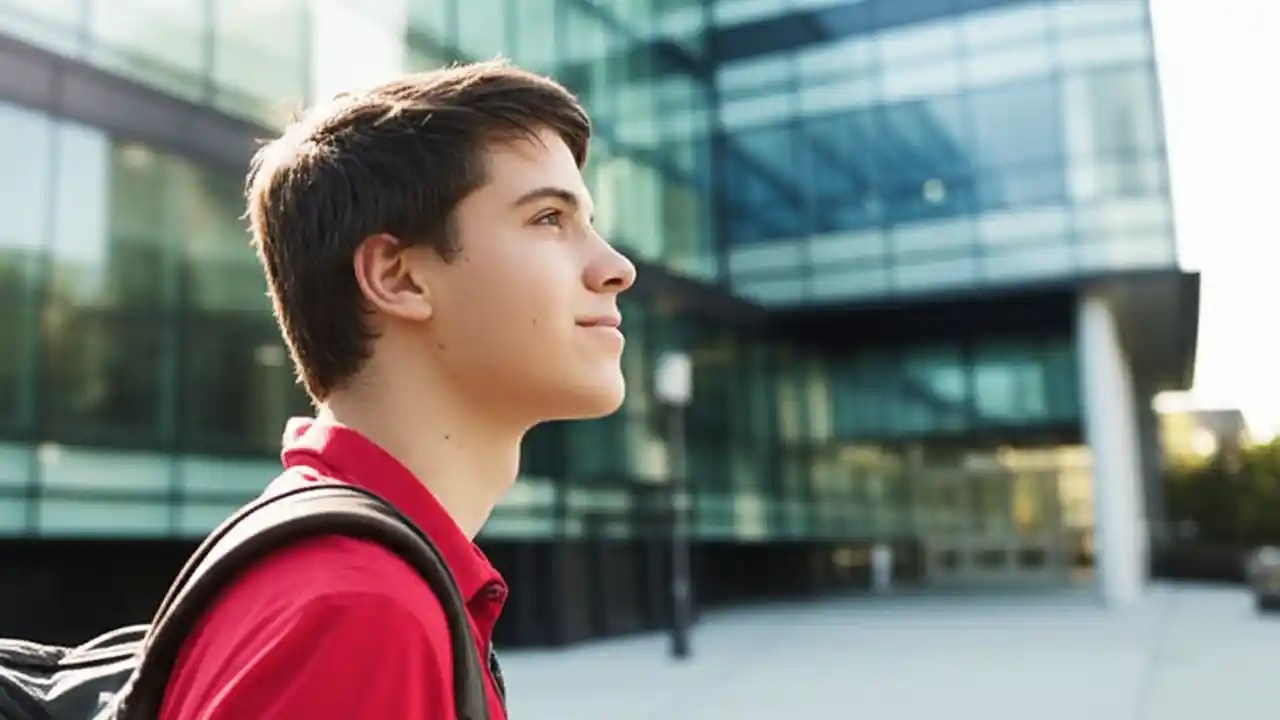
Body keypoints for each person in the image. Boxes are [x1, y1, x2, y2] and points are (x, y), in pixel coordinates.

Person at [158, 60, 636, 719]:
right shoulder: (360, 612)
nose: (617, 267)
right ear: (399, 278)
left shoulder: (363, 582)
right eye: (549, 218)